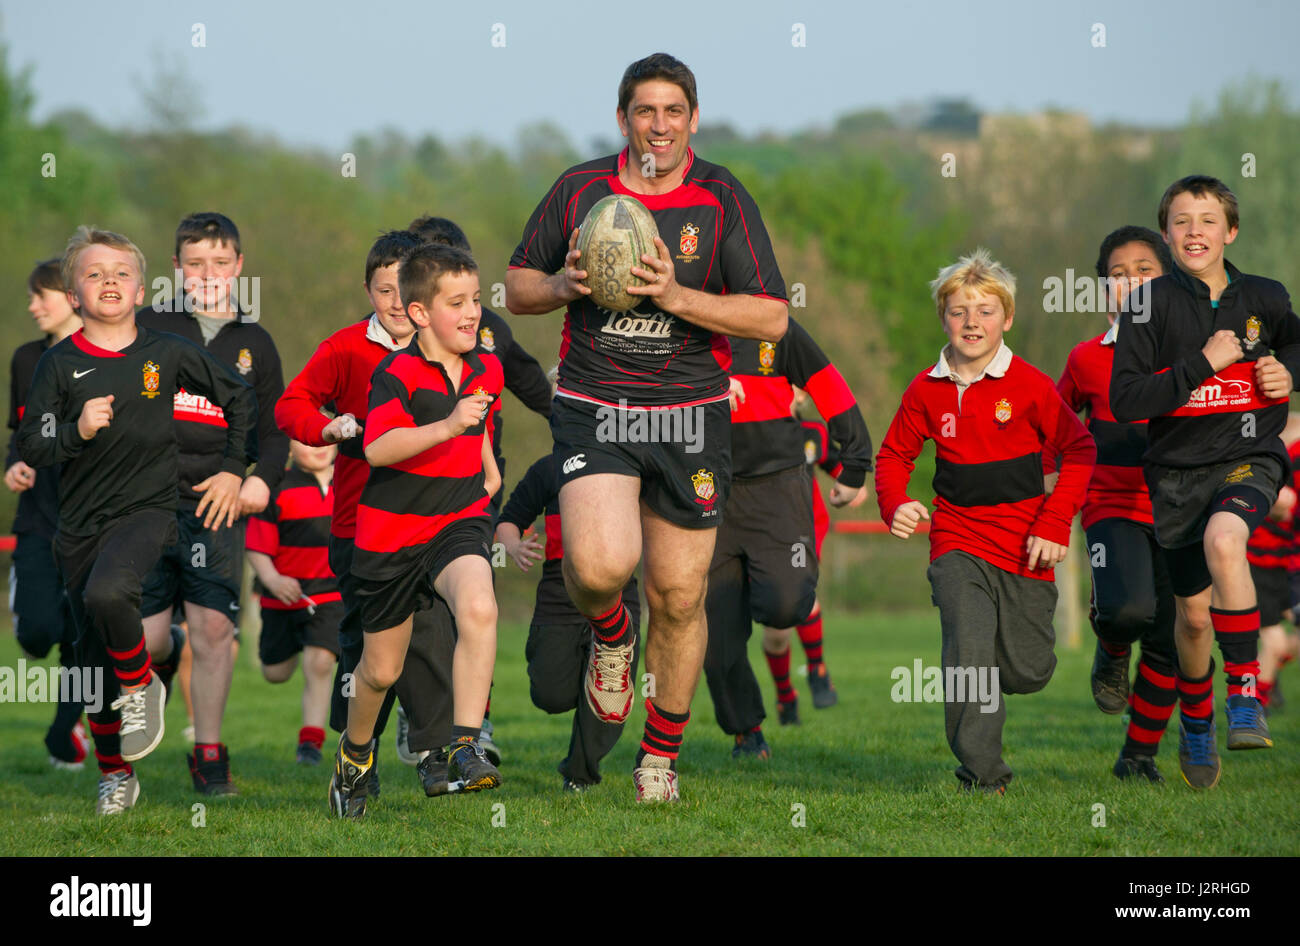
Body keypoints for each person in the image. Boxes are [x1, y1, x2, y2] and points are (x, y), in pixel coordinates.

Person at [506, 52, 788, 801]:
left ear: (693, 118)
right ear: (623, 117)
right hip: (597, 407)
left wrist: (677, 295)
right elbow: (514, 286)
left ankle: (659, 758)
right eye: (643, 111)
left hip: (692, 419)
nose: (657, 126)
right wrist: (565, 284)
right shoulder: (578, 189)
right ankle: (610, 637)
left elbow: (771, 315)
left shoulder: (721, 196)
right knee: (600, 569)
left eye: (672, 112)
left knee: (680, 594)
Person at [18, 226, 255, 814]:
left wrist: (232, 467)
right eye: (94, 275)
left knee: (109, 592)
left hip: (148, 512)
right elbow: (33, 442)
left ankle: (142, 683)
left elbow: (240, 397)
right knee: (88, 658)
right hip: (77, 527)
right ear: (74, 295)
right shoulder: (56, 362)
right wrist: (77, 429)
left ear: (142, 288)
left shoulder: (167, 353)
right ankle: (115, 774)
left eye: (121, 273)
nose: (109, 283)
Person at [875, 249, 1094, 793]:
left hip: (1026, 544)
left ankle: (999, 674)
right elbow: (892, 457)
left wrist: (1052, 522)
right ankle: (983, 773)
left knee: (1027, 670)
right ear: (943, 318)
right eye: (958, 311)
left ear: (1008, 318)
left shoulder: (1032, 386)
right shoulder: (925, 389)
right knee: (968, 652)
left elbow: (1081, 449)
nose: (972, 322)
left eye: (985, 310)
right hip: (956, 540)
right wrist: (894, 502)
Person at [1111, 175, 1300, 788]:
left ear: (1231, 231)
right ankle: (1196, 726)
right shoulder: (1147, 305)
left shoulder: (1266, 296)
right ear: (1167, 236)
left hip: (1250, 456)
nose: (1196, 231)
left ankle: (1243, 696)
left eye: (1208, 219)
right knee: (1192, 620)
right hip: (1176, 474)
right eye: (1183, 221)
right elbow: (1126, 399)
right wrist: (1202, 365)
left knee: (1227, 541)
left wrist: (1284, 372)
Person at [276, 229, 458, 798]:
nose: (396, 304)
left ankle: (433, 751)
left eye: (405, 292)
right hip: (360, 527)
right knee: (363, 650)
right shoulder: (344, 349)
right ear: (369, 290)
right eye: (384, 291)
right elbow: (291, 404)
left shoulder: (450, 348)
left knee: (431, 636)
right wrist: (324, 427)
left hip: (435, 522)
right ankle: (359, 754)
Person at [329, 242, 503, 818]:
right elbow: (377, 448)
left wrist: (486, 473)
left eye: (476, 299)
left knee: (478, 607)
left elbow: (482, 431)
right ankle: (354, 760)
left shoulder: (486, 365)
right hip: (389, 539)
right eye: (458, 302)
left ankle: (464, 744)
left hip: (455, 521)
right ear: (422, 313)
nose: (473, 312)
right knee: (380, 672)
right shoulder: (396, 372)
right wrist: (449, 424)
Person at [135, 212, 287, 796]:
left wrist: (258, 480)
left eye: (220, 263)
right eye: (195, 263)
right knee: (146, 640)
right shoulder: (145, 327)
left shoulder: (255, 343)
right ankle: (163, 657)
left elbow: (274, 434)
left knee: (215, 630)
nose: (208, 274)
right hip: (144, 503)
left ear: (239, 268)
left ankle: (208, 753)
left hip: (218, 506)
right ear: (176, 268)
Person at [409, 214, 554, 762]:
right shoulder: (395, 335)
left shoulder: (489, 329)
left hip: (474, 489)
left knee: (475, 603)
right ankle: (414, 713)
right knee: (418, 613)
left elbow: (528, 381)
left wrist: (569, 419)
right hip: (407, 493)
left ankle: (477, 726)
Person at [704, 318, 871, 757]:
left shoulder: (774, 323)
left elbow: (828, 382)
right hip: (706, 488)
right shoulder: (676, 320)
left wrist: (855, 463)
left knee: (786, 605)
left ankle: (813, 671)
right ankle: (747, 729)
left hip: (777, 493)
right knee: (715, 638)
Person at [1052, 226, 1178, 781]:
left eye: (1145, 271)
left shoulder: (1199, 353)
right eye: (1119, 276)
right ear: (1103, 289)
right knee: (1128, 611)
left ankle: (1138, 757)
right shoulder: (1085, 359)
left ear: (1169, 280)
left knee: (1170, 638)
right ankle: (1110, 643)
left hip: (1184, 509)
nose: (1132, 284)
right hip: (1112, 504)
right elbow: (1053, 428)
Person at [495, 446, 642, 790]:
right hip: (558, 594)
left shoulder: (630, 466)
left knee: (607, 698)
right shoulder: (549, 468)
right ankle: (583, 682)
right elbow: (507, 522)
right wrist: (512, 546)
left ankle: (580, 774)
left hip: (618, 595)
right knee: (550, 694)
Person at [7, 257, 88, 770]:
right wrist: (13, 463)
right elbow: (16, 431)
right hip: (37, 517)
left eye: (43, 295)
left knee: (84, 629)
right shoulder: (23, 359)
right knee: (38, 632)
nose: (33, 305)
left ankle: (65, 732)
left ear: (72, 297)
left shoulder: (107, 357)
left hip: (91, 518)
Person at [246, 439, 341, 765]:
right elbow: (256, 545)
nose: (318, 443)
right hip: (283, 597)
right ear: (286, 446)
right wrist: (271, 580)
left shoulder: (351, 482)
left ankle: (310, 745)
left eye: (325, 434)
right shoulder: (276, 488)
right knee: (276, 673)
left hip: (331, 593)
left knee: (320, 663)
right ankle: (299, 643)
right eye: (306, 437)